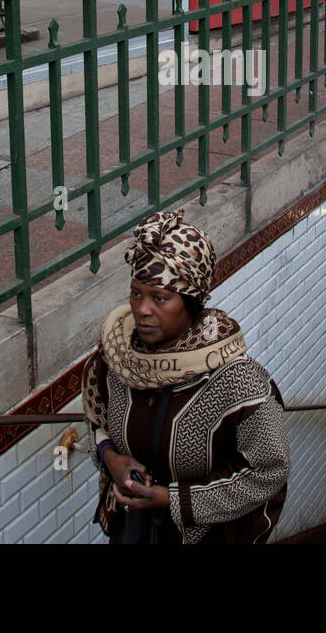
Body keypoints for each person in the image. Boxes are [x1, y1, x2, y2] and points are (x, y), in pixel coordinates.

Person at [83, 210, 289, 544]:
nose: (142, 309)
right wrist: (111, 458)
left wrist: (171, 500)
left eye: (160, 298)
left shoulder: (238, 382)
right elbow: (97, 421)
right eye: (136, 293)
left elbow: (268, 471)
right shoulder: (116, 360)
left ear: (192, 303)